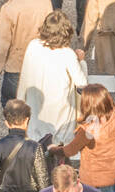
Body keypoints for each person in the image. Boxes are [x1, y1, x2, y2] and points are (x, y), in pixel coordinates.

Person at [18, 11, 88, 147]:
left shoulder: (33, 46)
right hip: (60, 111)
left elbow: (24, 77)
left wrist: (21, 102)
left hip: (36, 106)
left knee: (38, 146)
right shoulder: (67, 53)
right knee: (59, 148)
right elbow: (82, 82)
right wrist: (81, 61)